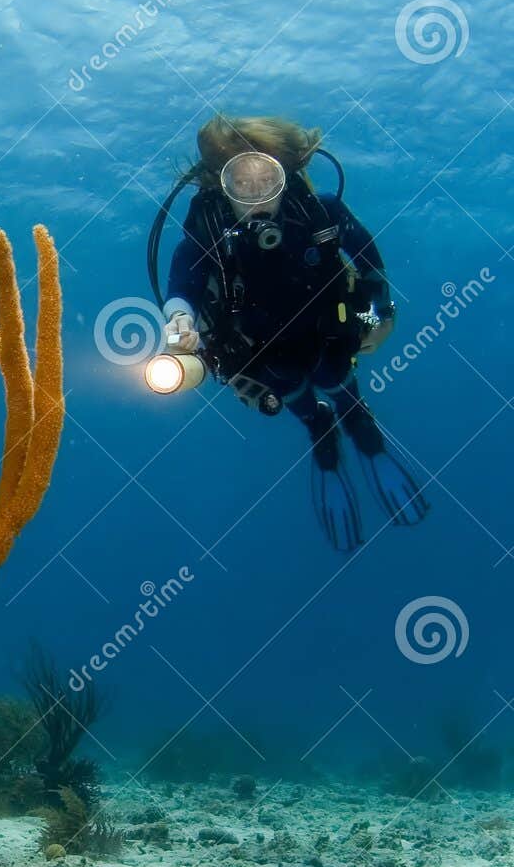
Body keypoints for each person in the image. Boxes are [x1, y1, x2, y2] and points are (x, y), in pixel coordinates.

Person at [149, 114, 428, 552]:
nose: (258, 197)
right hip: (260, 350)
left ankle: (358, 424)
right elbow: (181, 283)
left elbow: (369, 259)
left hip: (327, 332)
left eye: (269, 180)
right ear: (222, 185)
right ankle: (321, 433)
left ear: (287, 175)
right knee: (293, 392)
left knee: (338, 380)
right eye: (243, 182)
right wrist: (179, 317)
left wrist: (383, 310)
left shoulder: (323, 213)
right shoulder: (207, 234)